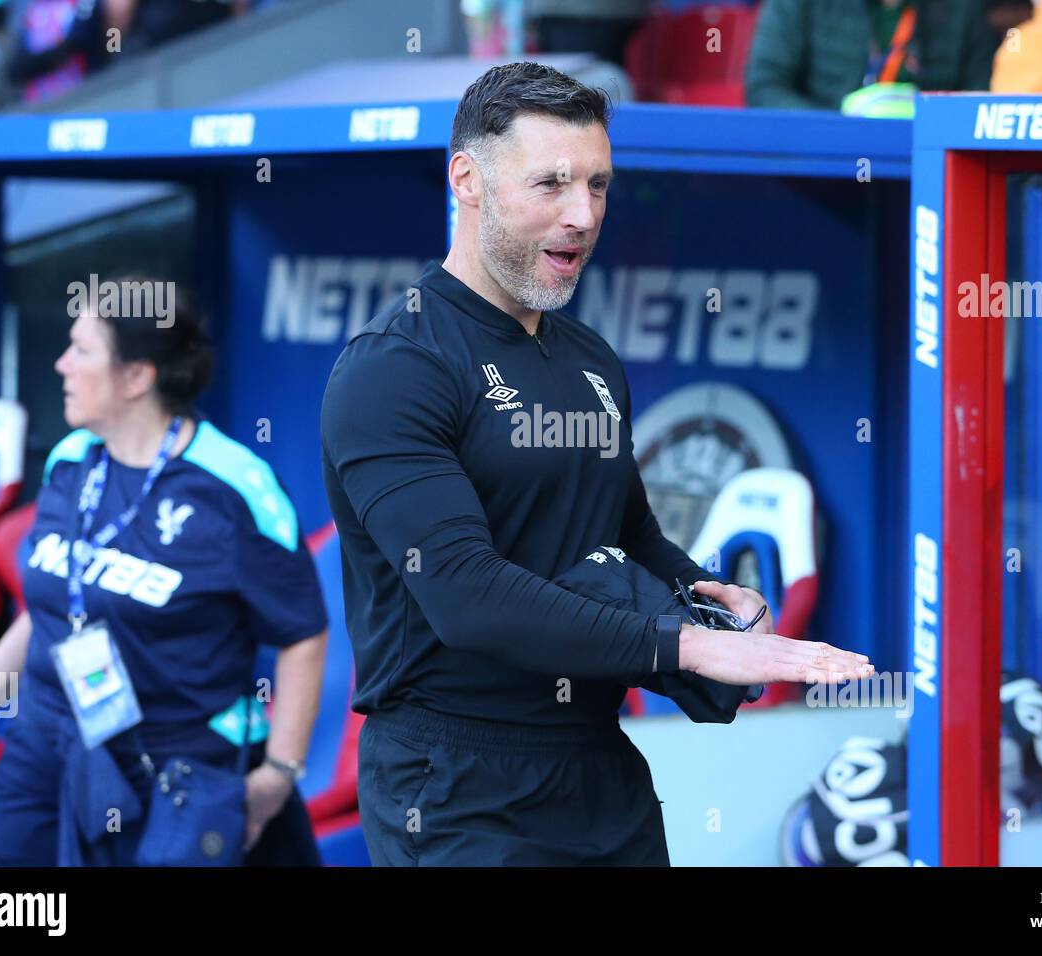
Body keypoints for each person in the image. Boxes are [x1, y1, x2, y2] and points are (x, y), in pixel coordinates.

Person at [320, 61, 875, 867]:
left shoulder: (588, 358)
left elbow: (630, 536)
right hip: (452, 786)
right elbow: (465, 596)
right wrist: (683, 648)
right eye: (550, 184)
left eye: (599, 186)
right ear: (467, 180)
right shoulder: (394, 366)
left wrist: (716, 608)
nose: (581, 214)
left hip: (597, 766)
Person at [0, 279, 328, 866]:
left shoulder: (234, 489)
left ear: (138, 376)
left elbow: (303, 633)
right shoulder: (70, 460)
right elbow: (50, 611)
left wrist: (280, 773)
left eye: (82, 350)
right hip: (46, 755)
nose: (61, 364)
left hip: (172, 775)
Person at [745, 0, 995, 111]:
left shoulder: (965, 8)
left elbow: (979, 101)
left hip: (929, 162)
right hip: (828, 164)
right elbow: (764, 88)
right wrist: (837, 128)